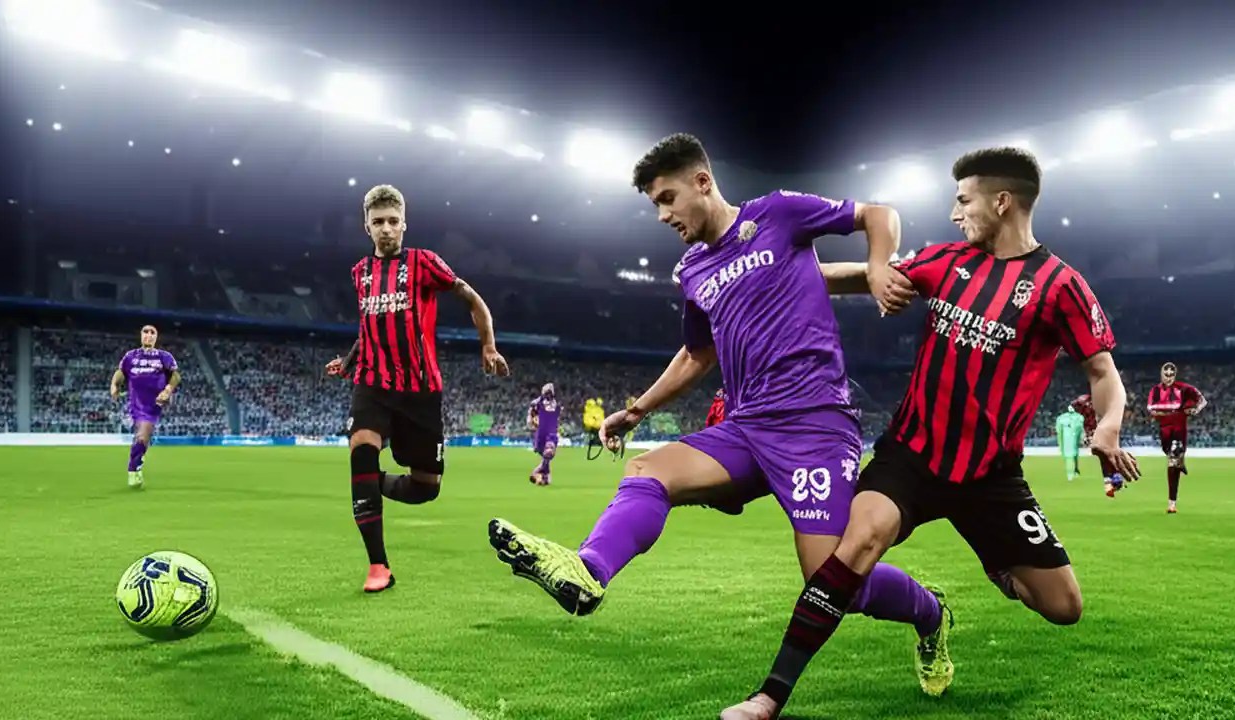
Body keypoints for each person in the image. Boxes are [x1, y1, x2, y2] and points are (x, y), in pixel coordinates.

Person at [485, 132, 951, 697]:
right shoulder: (692, 271)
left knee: (832, 582)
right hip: (747, 426)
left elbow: (878, 214)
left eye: (667, 198)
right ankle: (589, 570)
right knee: (647, 470)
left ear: (702, 182)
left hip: (815, 424)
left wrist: (877, 267)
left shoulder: (777, 213)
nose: (662, 215)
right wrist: (636, 410)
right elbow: (697, 354)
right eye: (654, 204)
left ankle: (931, 612)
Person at [723, 147, 1141, 720]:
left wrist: (1109, 428)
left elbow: (1103, 372)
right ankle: (770, 696)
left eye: (964, 200)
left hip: (990, 476)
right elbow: (860, 277)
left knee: (1064, 607)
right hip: (911, 457)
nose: (954, 213)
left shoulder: (1060, 285)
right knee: (855, 548)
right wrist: (792, 277)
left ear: (1002, 202)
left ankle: (997, 563)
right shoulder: (946, 261)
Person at [324, 183, 509, 592]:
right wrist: (349, 362)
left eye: (393, 221)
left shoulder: (423, 263)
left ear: (404, 224)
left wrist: (488, 345)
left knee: (425, 488)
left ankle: (372, 482)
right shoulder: (360, 273)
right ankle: (378, 566)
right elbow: (369, 326)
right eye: (378, 222)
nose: (386, 229)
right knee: (361, 449)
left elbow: (472, 298)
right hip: (372, 383)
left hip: (420, 391)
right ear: (367, 227)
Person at [110, 324, 180, 489]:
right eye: (145, 332)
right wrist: (114, 385)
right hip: (137, 402)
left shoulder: (163, 356)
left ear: (156, 337)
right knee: (142, 436)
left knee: (143, 436)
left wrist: (168, 390)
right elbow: (120, 372)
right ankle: (134, 469)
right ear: (141, 335)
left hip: (156, 401)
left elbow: (176, 375)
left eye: (152, 332)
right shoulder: (130, 356)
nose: (148, 335)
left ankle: (136, 465)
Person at [1146, 362, 1206, 513]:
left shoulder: (1183, 388)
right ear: (1161, 375)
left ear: (1175, 375)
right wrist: (1165, 412)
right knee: (1172, 457)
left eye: (1171, 375)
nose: (1169, 378)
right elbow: (1151, 409)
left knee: (1172, 464)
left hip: (1179, 429)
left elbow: (1202, 400)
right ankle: (1180, 461)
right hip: (1165, 430)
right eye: (1166, 375)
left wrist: (1195, 410)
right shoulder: (1155, 391)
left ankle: (1171, 503)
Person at [1072, 393, 1126, 496]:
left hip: (1100, 432)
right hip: (1098, 432)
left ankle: (1112, 479)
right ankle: (1114, 478)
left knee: (1104, 455)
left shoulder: (1089, 404)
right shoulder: (1092, 403)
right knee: (1105, 455)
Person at [528, 383, 561, 485]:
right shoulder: (537, 403)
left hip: (551, 433)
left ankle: (536, 471)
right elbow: (531, 414)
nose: (549, 394)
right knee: (545, 456)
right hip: (540, 434)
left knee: (548, 453)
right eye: (547, 392)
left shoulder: (557, 404)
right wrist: (531, 422)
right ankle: (545, 477)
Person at [1055, 405, 1084, 482]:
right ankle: (1074, 471)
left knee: (1070, 456)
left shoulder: (1061, 418)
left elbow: (1058, 430)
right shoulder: (1079, 417)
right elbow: (1081, 428)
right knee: (1072, 456)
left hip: (1068, 440)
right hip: (1071, 439)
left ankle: (1071, 473)